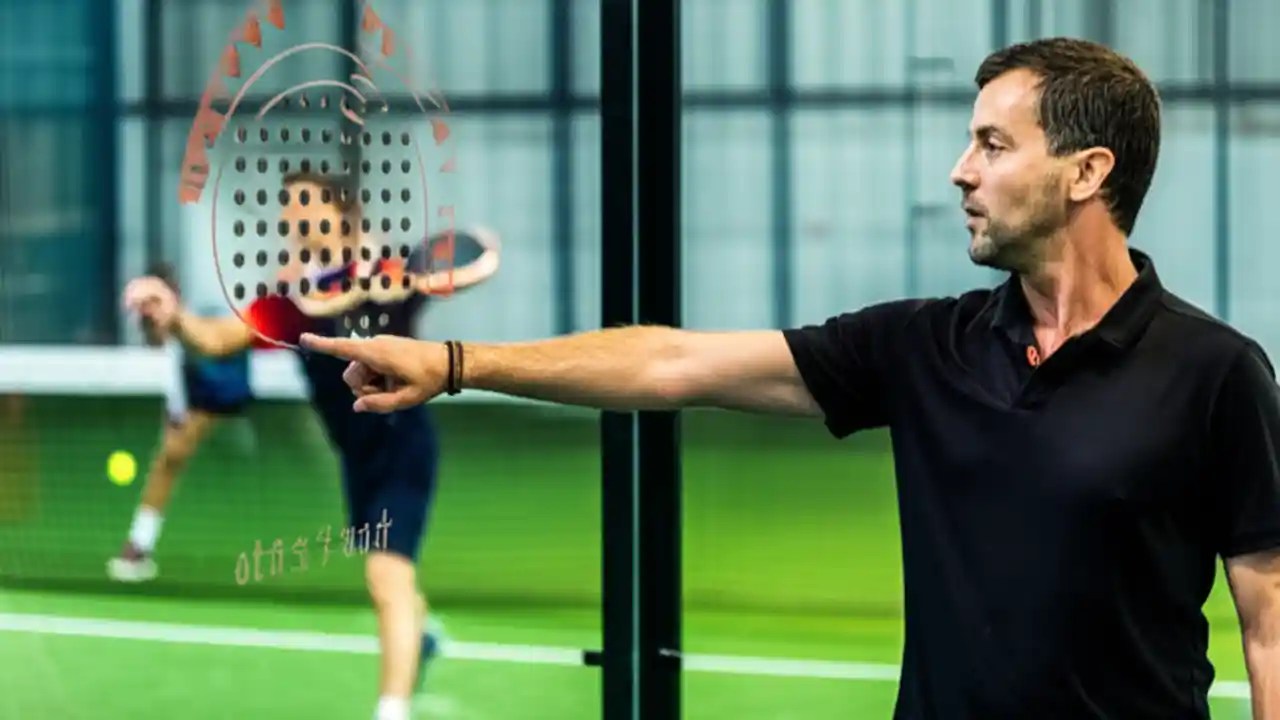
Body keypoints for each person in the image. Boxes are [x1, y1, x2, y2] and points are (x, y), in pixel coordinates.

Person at [301, 38, 1280, 720]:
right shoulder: (921, 349)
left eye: (990, 144)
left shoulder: (1213, 375)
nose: (957, 172)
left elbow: (1267, 623)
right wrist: (455, 364)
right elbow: (670, 360)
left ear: (1084, 172)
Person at [122, 171, 502, 720]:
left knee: (384, 575)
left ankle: (391, 711)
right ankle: (419, 637)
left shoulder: (388, 274)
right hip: (356, 456)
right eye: (287, 207)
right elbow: (215, 339)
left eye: (304, 204)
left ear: (340, 214)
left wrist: (469, 260)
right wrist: (173, 315)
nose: (290, 217)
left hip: (404, 444)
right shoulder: (293, 302)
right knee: (392, 575)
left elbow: (455, 272)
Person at [108, 262, 254, 583]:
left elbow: (213, 346)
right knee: (170, 460)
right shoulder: (163, 338)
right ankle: (137, 546)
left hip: (239, 409)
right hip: (205, 410)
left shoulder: (201, 325)